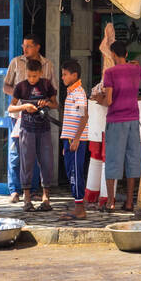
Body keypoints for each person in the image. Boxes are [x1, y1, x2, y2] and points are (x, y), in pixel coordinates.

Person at [93, 36, 141, 213]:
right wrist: (138, 67)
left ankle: (110, 202)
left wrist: (98, 98)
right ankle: (130, 202)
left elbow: (108, 100)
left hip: (116, 121)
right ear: (127, 53)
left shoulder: (110, 73)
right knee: (133, 161)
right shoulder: (135, 70)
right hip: (133, 120)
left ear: (113, 55)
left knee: (113, 161)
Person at [3, 35, 54, 201]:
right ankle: (15, 190)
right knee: (16, 153)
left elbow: (53, 92)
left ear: (38, 47)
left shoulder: (47, 65)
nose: (24, 50)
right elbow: (5, 86)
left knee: (37, 154)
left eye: (28, 46)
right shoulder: (16, 62)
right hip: (18, 115)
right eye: (23, 46)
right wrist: (21, 97)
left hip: (39, 117)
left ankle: (33, 190)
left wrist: (44, 102)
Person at [59, 59, 90, 220]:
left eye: (65, 74)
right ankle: (77, 206)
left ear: (74, 75)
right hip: (69, 139)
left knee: (75, 173)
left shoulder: (79, 93)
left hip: (75, 140)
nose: (62, 77)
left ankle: (80, 209)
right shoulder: (71, 93)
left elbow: (83, 117)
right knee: (70, 171)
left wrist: (76, 139)